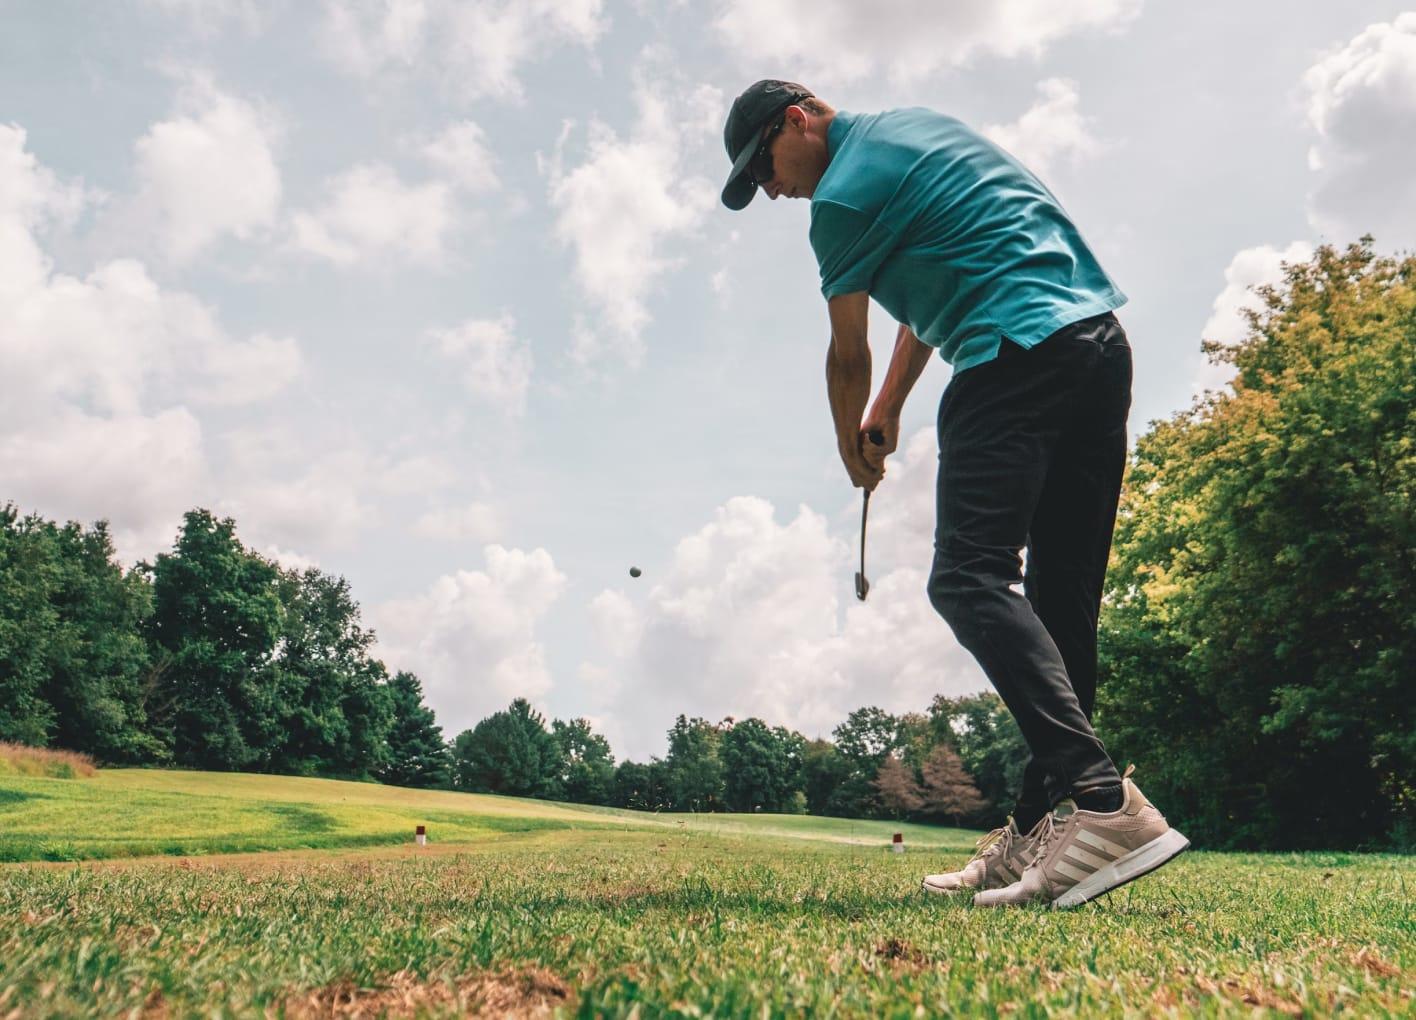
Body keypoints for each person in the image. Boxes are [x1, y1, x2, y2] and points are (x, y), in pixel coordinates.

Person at [720, 80, 1188, 908]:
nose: (772, 189)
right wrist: (891, 409)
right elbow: (932, 298)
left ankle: (1105, 801)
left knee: (966, 578)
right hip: (1095, 346)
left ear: (798, 120)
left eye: (764, 168)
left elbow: (846, 354)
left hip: (1012, 356)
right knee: (1060, 604)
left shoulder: (837, 199)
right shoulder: (916, 129)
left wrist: (849, 449)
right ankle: (1039, 833)